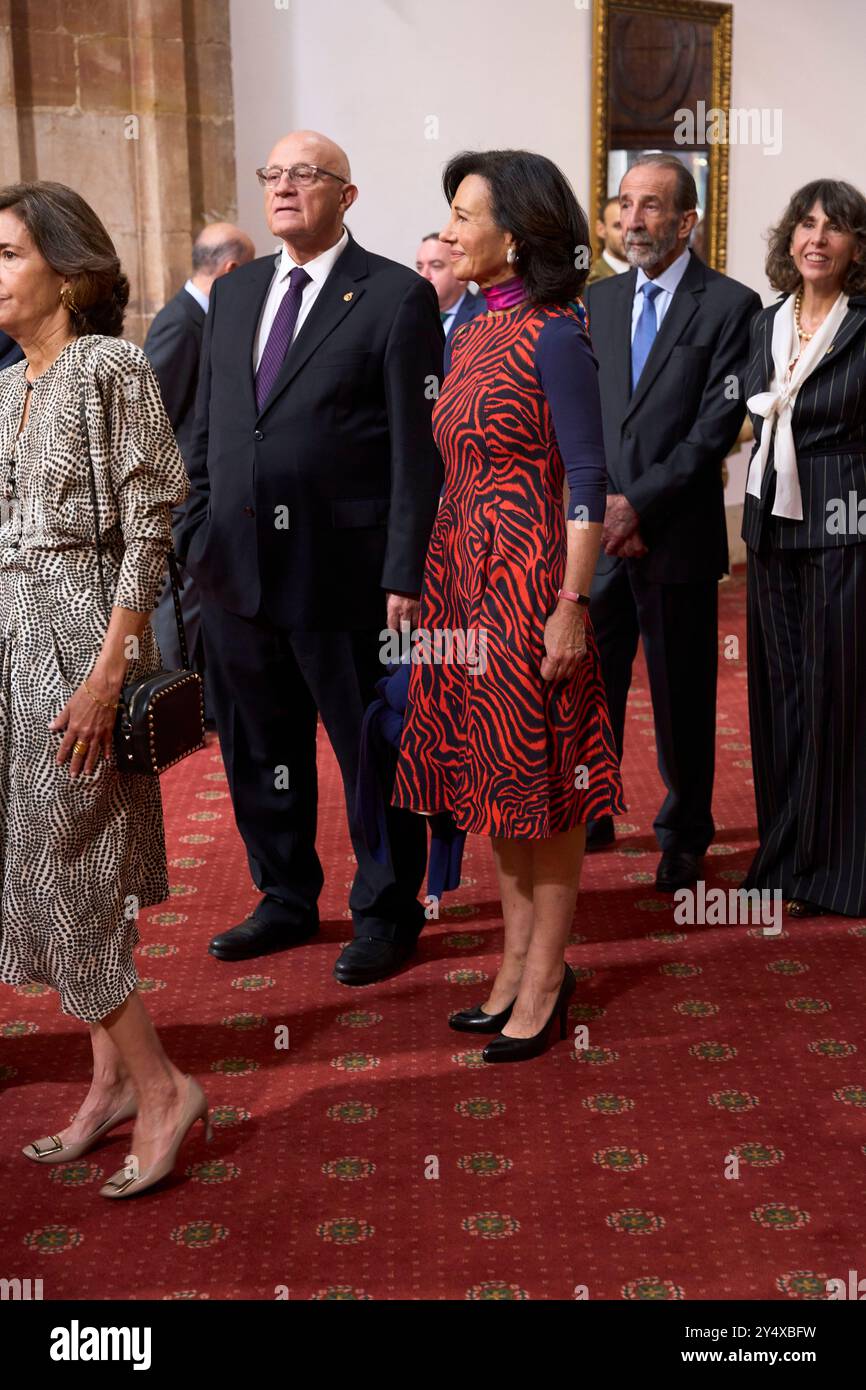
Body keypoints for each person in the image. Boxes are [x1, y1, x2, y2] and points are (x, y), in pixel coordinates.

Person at [176, 130, 444, 985]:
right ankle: (287, 895)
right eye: (274, 175)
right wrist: (197, 529)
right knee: (259, 743)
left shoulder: (395, 297)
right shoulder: (238, 290)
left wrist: (407, 568)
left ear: (346, 196)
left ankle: (387, 908)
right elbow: (215, 429)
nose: (285, 187)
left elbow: (417, 449)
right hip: (236, 568)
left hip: (348, 576)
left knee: (370, 748)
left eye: (306, 175)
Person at [393, 149, 625, 1064]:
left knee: (549, 790)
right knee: (494, 782)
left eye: (462, 215)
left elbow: (589, 476)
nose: (448, 231)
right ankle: (512, 964)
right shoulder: (471, 326)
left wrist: (572, 602)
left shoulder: (555, 331)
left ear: (513, 235)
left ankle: (546, 979)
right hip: (463, 579)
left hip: (531, 582)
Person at [0, 181, 204, 1199]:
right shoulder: (7, 383)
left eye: (6, 252)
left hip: (81, 642)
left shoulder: (108, 366)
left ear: (69, 271)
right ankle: (108, 1084)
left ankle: (165, 1087)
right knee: (51, 867)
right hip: (11, 645)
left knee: (63, 877)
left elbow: (152, 517)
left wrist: (108, 666)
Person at [584, 154, 761, 891]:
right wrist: (604, 506)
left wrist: (640, 504)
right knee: (588, 682)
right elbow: (584, 419)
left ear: (687, 220)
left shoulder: (731, 304)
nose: (634, 220)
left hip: (676, 535)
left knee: (681, 692)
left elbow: (714, 427)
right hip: (595, 538)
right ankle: (590, 805)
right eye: (625, 205)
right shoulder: (595, 303)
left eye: (651, 207)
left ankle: (684, 833)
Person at [741, 179, 866, 918]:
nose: (816, 238)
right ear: (789, 239)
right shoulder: (766, 322)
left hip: (847, 524)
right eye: (806, 225)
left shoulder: (864, 325)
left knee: (839, 692)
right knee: (779, 695)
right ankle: (784, 854)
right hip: (770, 524)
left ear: (857, 248)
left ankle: (841, 867)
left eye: (836, 228)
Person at [144, 223, 255, 684]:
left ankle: (200, 694)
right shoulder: (179, 321)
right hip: (181, 490)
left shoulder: (202, 315)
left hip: (202, 489)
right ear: (230, 270)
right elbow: (152, 417)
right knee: (181, 599)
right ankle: (174, 701)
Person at [416, 232, 484, 347]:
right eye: (419, 267)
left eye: (436, 266)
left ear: (462, 275)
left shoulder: (484, 316)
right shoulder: (411, 315)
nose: (424, 276)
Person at [587, 195, 628, 285]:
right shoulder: (592, 282)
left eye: (631, 226)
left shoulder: (648, 276)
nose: (626, 234)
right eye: (618, 226)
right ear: (601, 229)